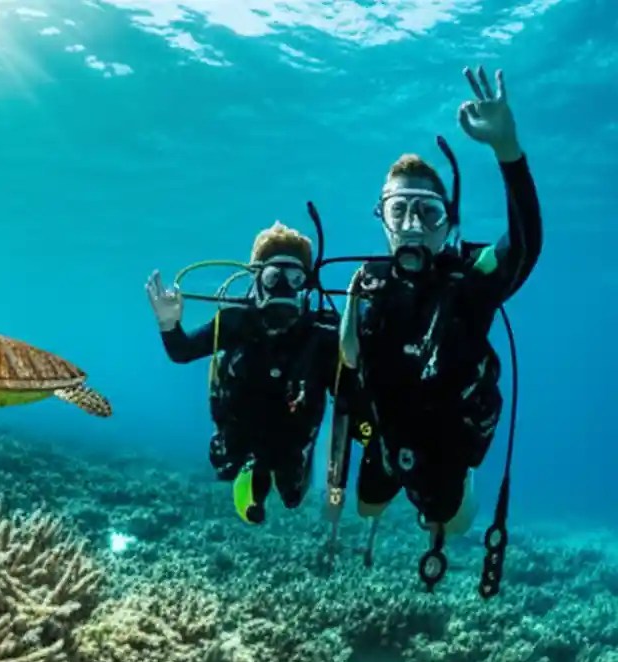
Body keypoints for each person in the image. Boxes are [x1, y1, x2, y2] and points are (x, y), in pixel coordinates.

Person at [336, 65, 542, 571]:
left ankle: (443, 512)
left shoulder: (469, 277)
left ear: (448, 223)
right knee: (367, 503)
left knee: (449, 519)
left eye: (427, 213)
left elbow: (524, 246)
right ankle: (380, 517)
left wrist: (507, 151)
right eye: (398, 210)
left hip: (447, 447)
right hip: (385, 438)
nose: (411, 225)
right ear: (381, 219)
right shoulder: (366, 284)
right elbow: (346, 358)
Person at [146, 221, 343, 524]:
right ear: (256, 278)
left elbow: (347, 389)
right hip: (241, 432)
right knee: (232, 470)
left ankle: (279, 477)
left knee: (292, 496)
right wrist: (168, 324)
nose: (282, 287)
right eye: (274, 276)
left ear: (306, 283)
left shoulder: (321, 333)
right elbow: (182, 352)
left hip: (293, 435)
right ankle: (252, 476)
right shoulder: (234, 322)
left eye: (293, 278)